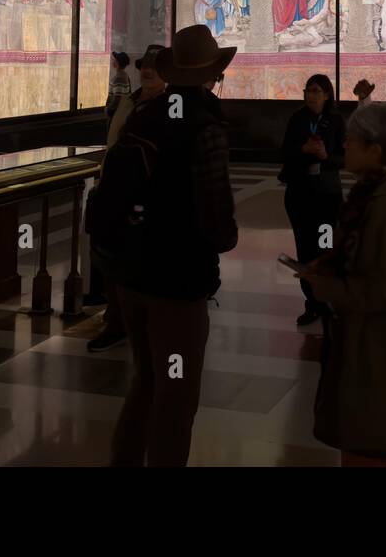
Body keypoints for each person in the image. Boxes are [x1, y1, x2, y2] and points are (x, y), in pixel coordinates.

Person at [107, 25, 239, 467]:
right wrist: (225, 239)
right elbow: (216, 211)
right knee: (176, 396)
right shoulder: (206, 124)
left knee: (146, 382)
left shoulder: (144, 114)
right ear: (210, 75)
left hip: (131, 274)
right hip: (177, 285)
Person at [301, 102, 386, 466]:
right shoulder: (380, 190)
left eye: (351, 140)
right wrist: (334, 264)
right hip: (385, 342)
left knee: (382, 448)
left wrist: (325, 288)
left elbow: (381, 290)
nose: (343, 145)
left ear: (375, 150)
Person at [89, 45, 167, 349]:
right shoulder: (128, 101)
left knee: (135, 259)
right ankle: (116, 316)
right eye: (144, 65)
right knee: (109, 254)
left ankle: (131, 320)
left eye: (155, 67)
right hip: (113, 191)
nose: (147, 71)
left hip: (144, 195)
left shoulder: (167, 107)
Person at [279, 74, 346, 326]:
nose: (310, 95)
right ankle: (312, 303)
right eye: (308, 90)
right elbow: (284, 151)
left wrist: (326, 155)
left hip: (327, 196)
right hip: (300, 195)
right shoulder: (297, 119)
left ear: (327, 95)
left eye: (316, 91)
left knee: (326, 248)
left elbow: (344, 157)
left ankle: (328, 300)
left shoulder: (336, 121)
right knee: (305, 249)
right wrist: (302, 151)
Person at [104, 51, 131, 120]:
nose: (112, 61)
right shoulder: (124, 75)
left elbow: (117, 100)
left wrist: (107, 110)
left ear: (117, 62)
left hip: (115, 115)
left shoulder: (119, 79)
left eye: (114, 60)